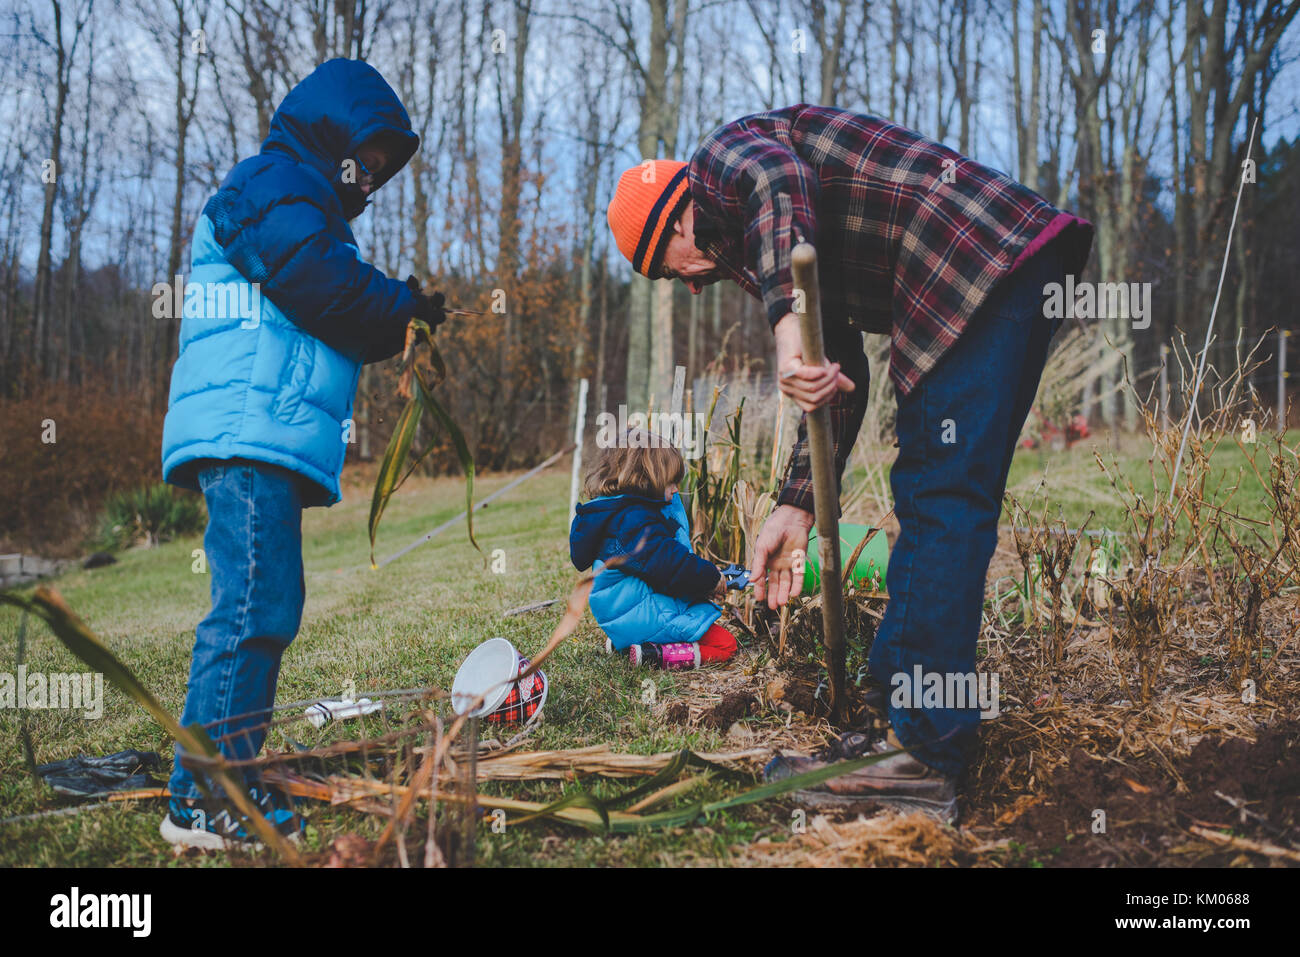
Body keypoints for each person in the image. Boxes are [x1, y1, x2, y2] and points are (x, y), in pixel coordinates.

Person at [605, 104, 1094, 823]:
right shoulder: (756, 244)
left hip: (970, 255)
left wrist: (783, 332)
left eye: (666, 272)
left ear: (672, 227)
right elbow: (841, 377)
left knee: (942, 495)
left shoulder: (724, 163)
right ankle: (894, 723)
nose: (689, 286)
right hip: (1008, 266)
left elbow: (778, 183)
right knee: (942, 494)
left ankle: (922, 759)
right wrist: (793, 505)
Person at [157, 58, 447, 848]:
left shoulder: (302, 201)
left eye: (381, 173)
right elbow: (321, 286)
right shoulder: (270, 187)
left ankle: (204, 785)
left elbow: (334, 293)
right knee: (255, 607)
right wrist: (403, 308)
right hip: (242, 433)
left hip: (259, 434)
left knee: (261, 606)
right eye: (366, 161)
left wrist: (399, 314)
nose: (369, 182)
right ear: (331, 136)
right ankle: (210, 801)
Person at [569, 430, 739, 670]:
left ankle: (625, 644)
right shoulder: (635, 522)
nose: (677, 489)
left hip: (621, 615)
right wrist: (711, 578)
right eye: (671, 481)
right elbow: (671, 565)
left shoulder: (613, 515)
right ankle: (653, 655)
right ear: (647, 479)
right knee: (726, 645)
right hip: (641, 615)